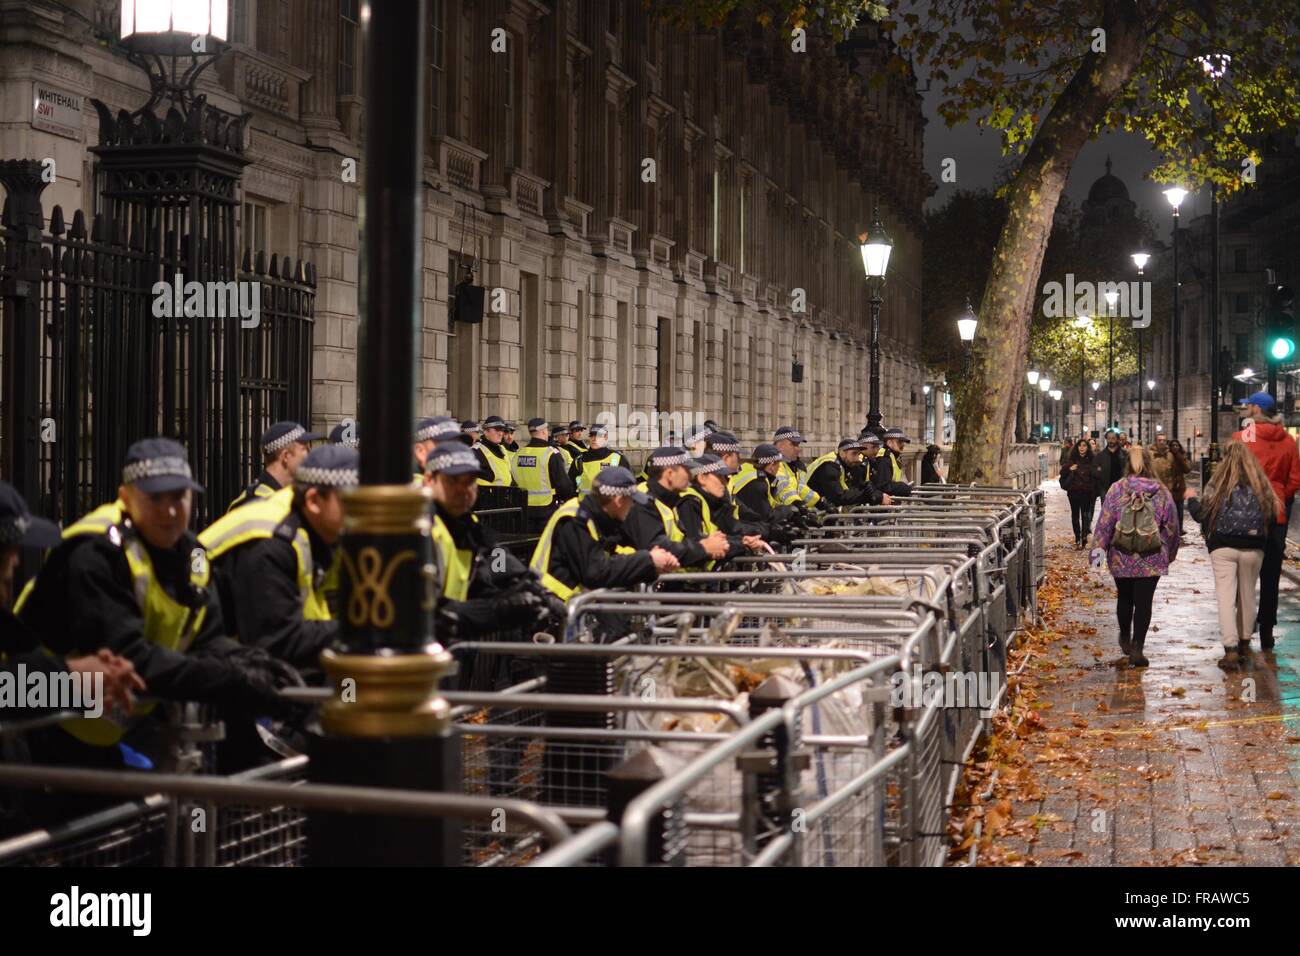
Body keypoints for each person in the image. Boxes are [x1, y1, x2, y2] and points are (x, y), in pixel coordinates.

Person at [15, 439, 299, 776]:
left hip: (111, 730)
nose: (169, 511)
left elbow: (204, 637)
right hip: (40, 728)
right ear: (125, 498)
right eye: (155, 499)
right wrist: (231, 677)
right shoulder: (96, 553)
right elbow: (132, 660)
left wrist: (249, 661)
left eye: (179, 497)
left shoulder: (191, 554)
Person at [199, 444, 360, 678]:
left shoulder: (314, 523)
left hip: (251, 661)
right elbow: (276, 640)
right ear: (314, 501)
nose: (362, 511)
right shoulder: (270, 542)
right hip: (213, 669)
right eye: (351, 501)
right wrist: (360, 630)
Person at [1184, 440, 1281, 669]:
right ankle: (1245, 643)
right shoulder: (1261, 484)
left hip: (1223, 546)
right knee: (1248, 596)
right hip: (1254, 547)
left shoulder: (1218, 482)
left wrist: (1191, 499)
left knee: (1226, 598)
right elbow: (1273, 516)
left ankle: (1230, 650)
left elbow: (1202, 515)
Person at [529, 466, 679, 608]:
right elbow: (595, 571)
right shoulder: (574, 519)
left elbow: (614, 551)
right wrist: (648, 560)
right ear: (619, 500)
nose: (633, 506)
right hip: (550, 606)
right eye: (631, 501)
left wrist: (652, 565)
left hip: (571, 606)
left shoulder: (599, 517)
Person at [1090, 444, 1180, 667]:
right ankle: (1138, 646)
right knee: (1144, 602)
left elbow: (1104, 524)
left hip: (1122, 555)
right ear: (1149, 463)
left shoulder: (1117, 489)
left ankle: (1124, 635)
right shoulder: (1161, 492)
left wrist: (1097, 556)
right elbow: (1171, 526)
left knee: (1125, 597)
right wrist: (1169, 553)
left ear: (1126, 463)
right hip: (1151, 556)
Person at [1234, 391, 1300, 649]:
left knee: (1245, 572)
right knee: (1270, 574)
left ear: (1258, 410)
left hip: (1246, 511)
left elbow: (1233, 473)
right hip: (1277, 512)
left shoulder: (1244, 438)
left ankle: (1245, 627)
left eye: (1248, 405)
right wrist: (1280, 493)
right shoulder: (1288, 441)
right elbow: (1295, 478)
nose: (1246, 409)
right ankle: (1267, 631)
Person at [625, 447, 730, 569]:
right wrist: (704, 548)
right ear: (670, 474)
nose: (691, 476)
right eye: (686, 470)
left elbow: (680, 540)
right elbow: (658, 546)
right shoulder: (643, 501)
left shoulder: (669, 499)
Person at [226, 421, 323, 512]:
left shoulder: (291, 495)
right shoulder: (254, 503)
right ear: (286, 456)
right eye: (304, 449)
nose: (310, 453)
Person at [512, 418, 575, 532]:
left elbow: (513, 479)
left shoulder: (519, 454)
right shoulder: (551, 453)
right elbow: (563, 484)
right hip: (547, 508)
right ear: (544, 431)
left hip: (524, 508)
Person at [806, 439, 878, 508]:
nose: (857, 458)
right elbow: (838, 497)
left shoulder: (842, 465)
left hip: (817, 508)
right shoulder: (829, 466)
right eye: (854, 453)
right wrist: (865, 494)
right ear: (842, 453)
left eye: (859, 454)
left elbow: (848, 489)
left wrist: (863, 486)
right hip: (807, 508)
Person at [1149, 434, 1191, 535]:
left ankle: (1172, 530)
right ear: (1156, 441)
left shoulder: (1170, 455)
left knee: (1171, 512)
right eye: (1159, 440)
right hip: (1154, 489)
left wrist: (1174, 485)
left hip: (1169, 489)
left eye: (1164, 440)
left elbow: (1177, 471)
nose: (1162, 442)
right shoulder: (1150, 454)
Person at [1062, 437, 1099, 548]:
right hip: (1074, 492)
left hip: (1087, 492)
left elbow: (1096, 476)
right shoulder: (1071, 460)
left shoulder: (1092, 461)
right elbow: (1062, 473)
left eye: (1084, 446)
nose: (1082, 448)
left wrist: (1093, 488)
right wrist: (1070, 469)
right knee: (1075, 516)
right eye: (1080, 446)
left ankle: (1084, 537)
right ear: (1077, 447)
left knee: (1085, 515)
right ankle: (1077, 537)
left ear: (1088, 448)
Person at [773, 426, 820, 508]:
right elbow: (784, 487)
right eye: (793, 444)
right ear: (780, 446)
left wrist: (819, 502)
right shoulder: (773, 464)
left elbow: (800, 489)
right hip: (774, 517)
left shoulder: (794, 465)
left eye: (798, 445)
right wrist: (797, 504)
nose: (798, 449)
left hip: (786, 514)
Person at [572, 424, 627, 494]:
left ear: (606, 437)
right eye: (592, 435)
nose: (594, 439)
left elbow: (628, 485)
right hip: (585, 503)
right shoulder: (579, 460)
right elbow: (570, 487)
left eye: (599, 436)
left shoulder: (617, 458)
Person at [471, 414, 514, 487]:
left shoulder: (502, 449)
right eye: (497, 430)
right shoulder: (476, 451)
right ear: (486, 432)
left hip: (504, 495)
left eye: (502, 430)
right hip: (489, 497)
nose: (500, 433)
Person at [1091, 428, 1126, 507]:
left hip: (1121, 488)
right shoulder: (1101, 455)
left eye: (1113, 438)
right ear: (1106, 439)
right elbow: (1093, 470)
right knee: (1106, 512)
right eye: (1109, 438)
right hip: (1105, 488)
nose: (1111, 440)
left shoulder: (1124, 454)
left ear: (1117, 439)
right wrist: (1101, 474)